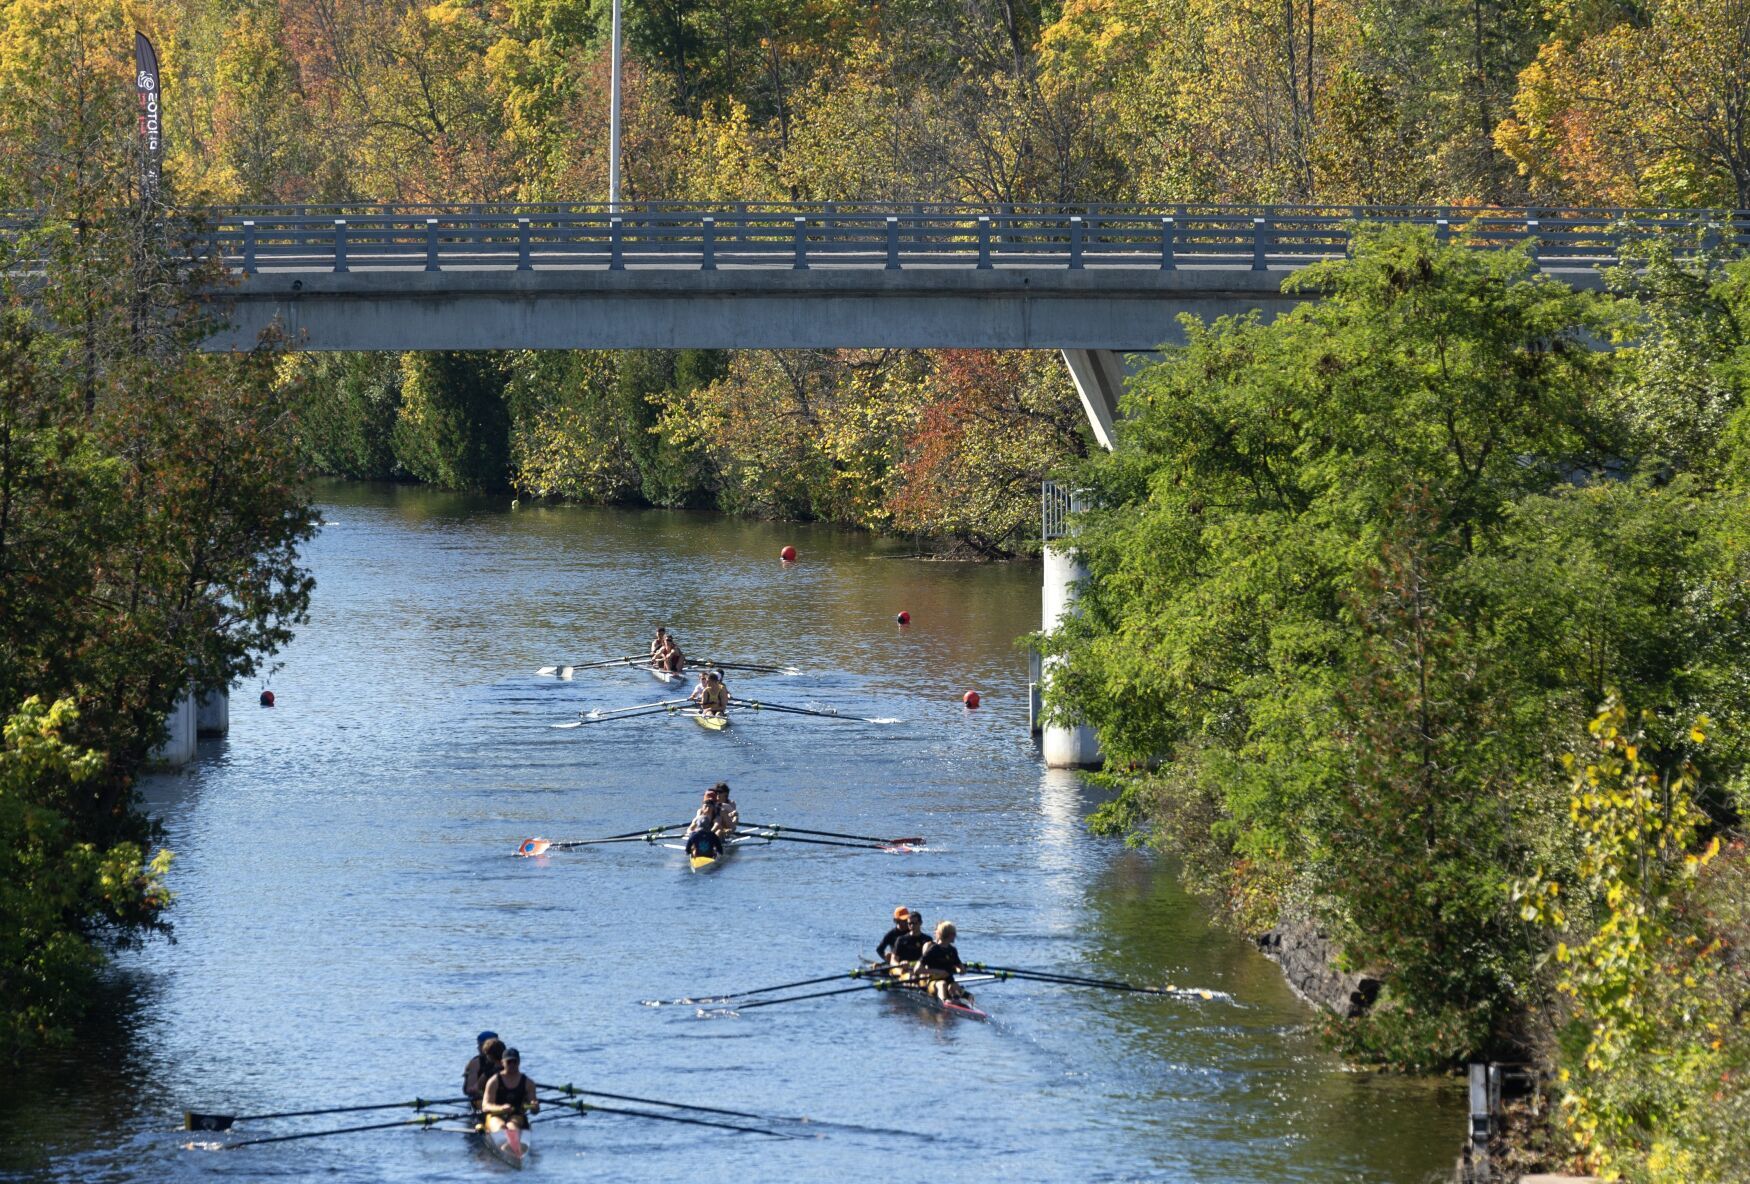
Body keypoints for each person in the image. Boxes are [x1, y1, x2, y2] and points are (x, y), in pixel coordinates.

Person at [481, 1048, 539, 1159]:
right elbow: (485, 1106)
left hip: (516, 1115)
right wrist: (501, 1108)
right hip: (495, 1115)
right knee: (501, 1127)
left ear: (519, 1062)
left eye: (515, 1062)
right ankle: (509, 1146)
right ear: (502, 1063)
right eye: (509, 1062)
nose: (512, 1065)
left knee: (512, 1126)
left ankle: (511, 1148)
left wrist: (534, 1106)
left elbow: (535, 1110)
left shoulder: (528, 1083)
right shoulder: (494, 1081)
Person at [913, 921, 972, 1004]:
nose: (955, 936)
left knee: (954, 985)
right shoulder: (933, 949)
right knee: (942, 984)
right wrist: (938, 972)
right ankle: (944, 1002)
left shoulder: (952, 950)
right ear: (950, 935)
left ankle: (958, 1000)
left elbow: (960, 968)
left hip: (950, 982)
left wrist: (961, 970)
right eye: (954, 934)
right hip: (933, 982)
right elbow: (917, 969)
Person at [463, 1032, 503, 1111]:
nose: (477, 1048)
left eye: (479, 1045)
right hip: (481, 1096)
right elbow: (470, 1089)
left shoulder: (508, 1060)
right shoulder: (475, 1063)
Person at [684, 789, 725, 859]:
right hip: (703, 835)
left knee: (718, 832)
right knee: (694, 835)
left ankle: (713, 849)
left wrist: (708, 833)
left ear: (713, 808)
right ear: (702, 808)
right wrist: (691, 833)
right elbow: (690, 828)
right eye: (706, 806)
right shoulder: (699, 817)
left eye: (709, 806)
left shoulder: (716, 816)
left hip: (713, 835)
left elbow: (716, 825)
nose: (708, 808)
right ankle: (697, 851)